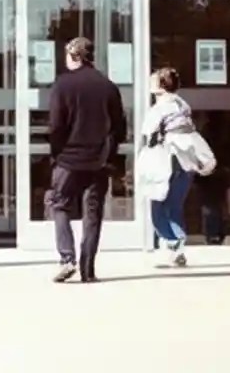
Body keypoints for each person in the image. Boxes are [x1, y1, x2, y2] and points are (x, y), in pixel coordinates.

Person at [46, 37, 126, 283]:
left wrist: (56, 153)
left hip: (68, 160)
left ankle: (67, 258)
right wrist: (109, 154)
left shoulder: (63, 84)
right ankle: (88, 269)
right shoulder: (108, 86)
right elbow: (120, 127)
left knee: (59, 204)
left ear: (74, 55)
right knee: (92, 213)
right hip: (98, 161)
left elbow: (56, 125)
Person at [141, 67, 216, 267]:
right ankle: (178, 247)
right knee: (175, 205)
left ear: (161, 86)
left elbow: (148, 135)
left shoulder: (159, 109)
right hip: (187, 159)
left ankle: (172, 243)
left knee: (158, 204)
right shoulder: (182, 105)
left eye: (153, 80)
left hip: (167, 158)